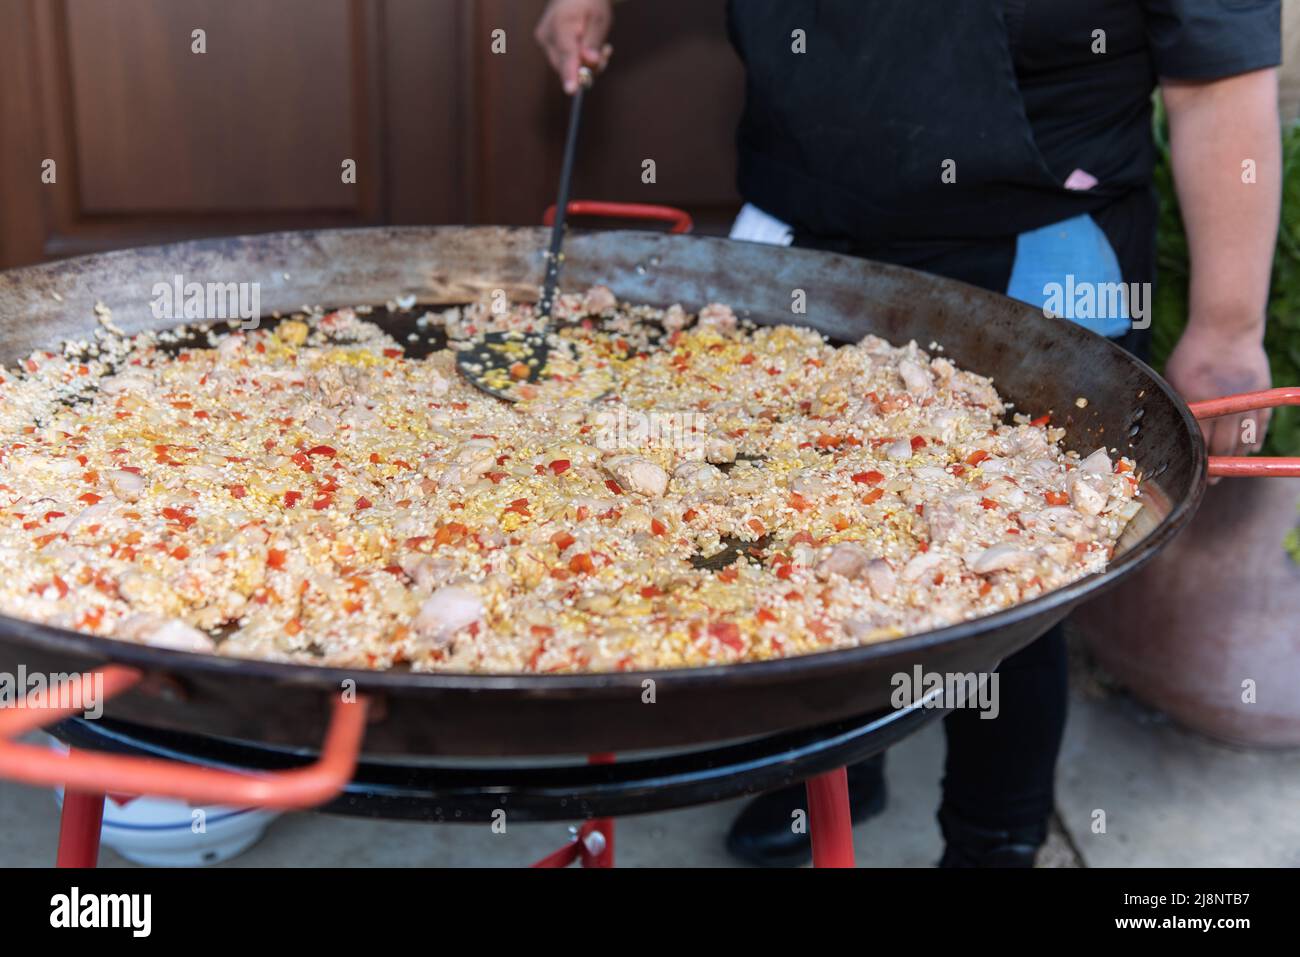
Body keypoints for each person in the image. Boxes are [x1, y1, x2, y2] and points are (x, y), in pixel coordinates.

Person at [536, 0, 1282, 867]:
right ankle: (833, 770)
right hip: (806, 212)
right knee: (779, 528)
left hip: (1036, 238)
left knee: (1014, 573)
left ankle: (995, 834)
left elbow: (1218, 79)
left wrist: (1228, 329)